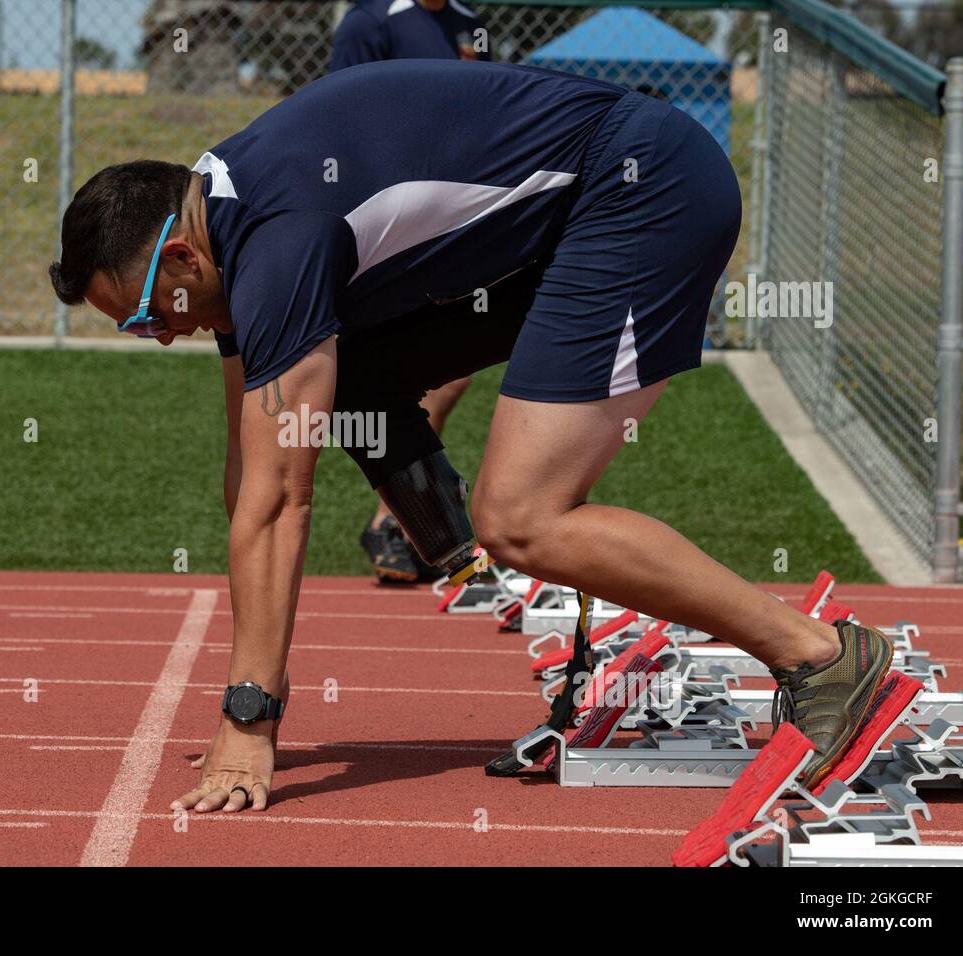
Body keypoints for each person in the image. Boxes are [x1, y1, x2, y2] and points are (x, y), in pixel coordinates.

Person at [48, 59, 893, 815]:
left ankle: (821, 657)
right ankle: (471, 558)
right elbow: (252, 466)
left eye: (147, 318)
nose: (158, 337)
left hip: (642, 193)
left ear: (183, 260)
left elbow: (277, 503)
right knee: (360, 386)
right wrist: (254, 618)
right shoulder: (226, 223)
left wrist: (249, 714)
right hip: (568, 218)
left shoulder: (274, 240)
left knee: (524, 514)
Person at [330, 0, 492, 583]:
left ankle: (397, 522)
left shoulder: (468, 22)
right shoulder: (370, 21)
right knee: (366, 373)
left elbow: (484, 108)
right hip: (383, 216)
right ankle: (395, 522)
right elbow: (336, 114)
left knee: (452, 368)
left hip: (451, 208)